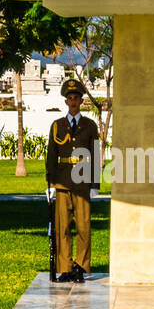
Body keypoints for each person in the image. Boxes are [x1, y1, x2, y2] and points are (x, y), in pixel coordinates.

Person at [46, 77, 100, 282]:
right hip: (62, 181)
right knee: (63, 227)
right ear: (66, 101)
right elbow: (51, 155)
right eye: (70, 98)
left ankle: (80, 266)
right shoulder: (57, 125)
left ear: (81, 101)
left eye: (77, 97)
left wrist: (95, 184)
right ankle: (65, 267)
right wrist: (50, 183)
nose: (74, 101)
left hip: (83, 180)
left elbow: (95, 154)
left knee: (84, 227)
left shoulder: (90, 125)